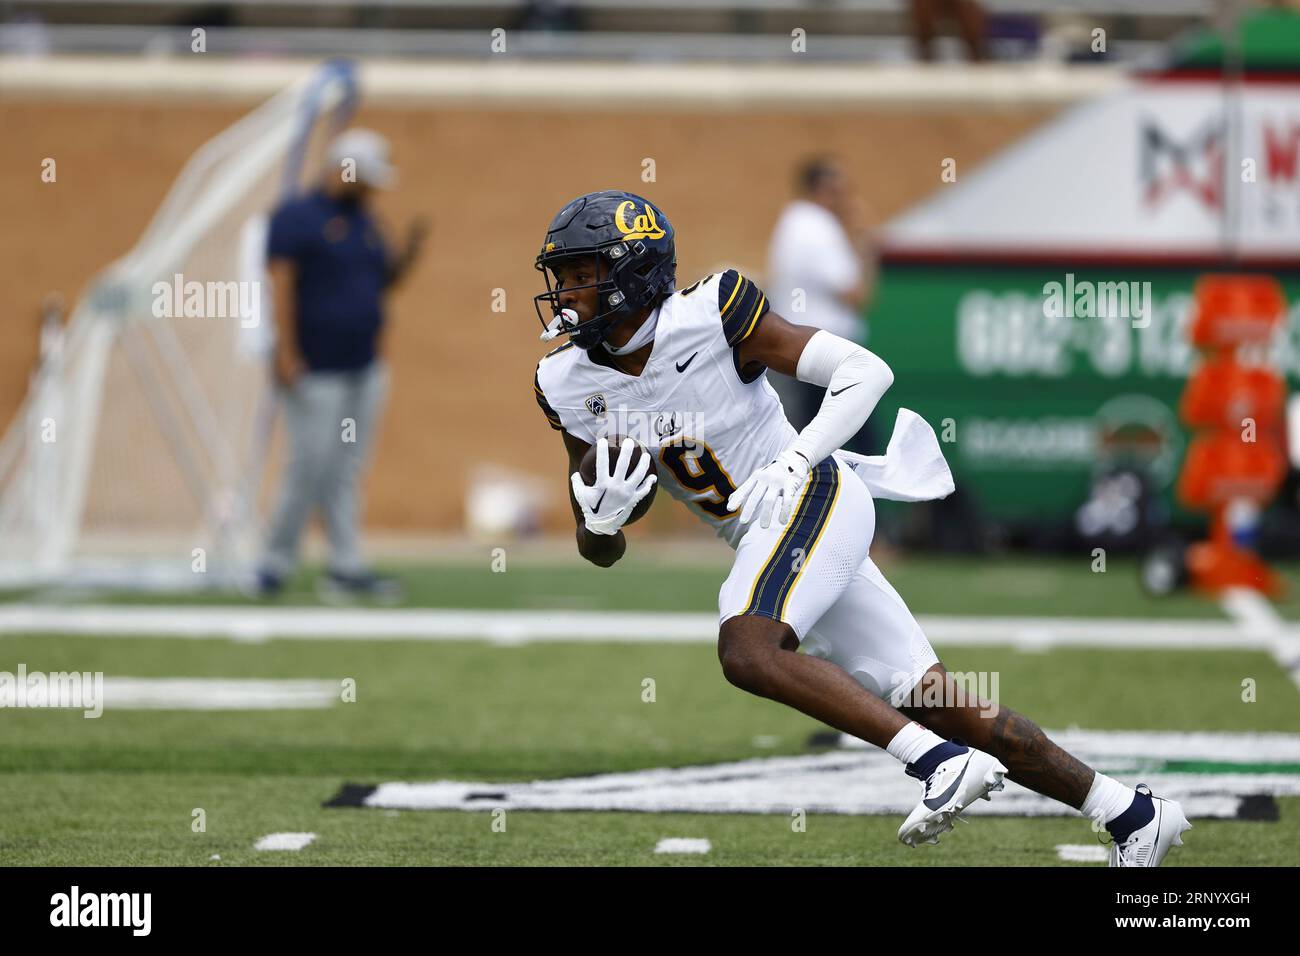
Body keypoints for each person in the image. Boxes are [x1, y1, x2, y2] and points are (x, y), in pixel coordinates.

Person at [530, 190, 1190, 865]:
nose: (568, 292)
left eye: (584, 273)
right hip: (768, 538)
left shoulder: (713, 311)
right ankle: (1133, 813)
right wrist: (602, 518)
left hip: (813, 494)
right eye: (565, 276)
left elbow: (864, 371)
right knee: (942, 701)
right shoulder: (564, 381)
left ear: (635, 270)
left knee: (747, 648)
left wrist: (795, 456)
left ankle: (934, 762)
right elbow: (599, 548)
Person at [255, 128, 426, 601]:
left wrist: (408, 257)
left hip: (363, 366)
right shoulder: (296, 219)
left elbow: (380, 282)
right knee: (308, 464)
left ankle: (345, 566)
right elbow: (281, 286)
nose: (372, 188)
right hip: (316, 367)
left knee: (347, 467)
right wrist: (286, 351)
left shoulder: (366, 223)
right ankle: (274, 561)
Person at [766, 157, 878, 454]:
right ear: (823, 190)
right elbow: (856, 295)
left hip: (808, 349)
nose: (846, 197)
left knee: (814, 440)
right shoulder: (816, 228)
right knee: (856, 443)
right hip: (827, 353)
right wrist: (863, 241)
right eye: (839, 188)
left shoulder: (796, 222)